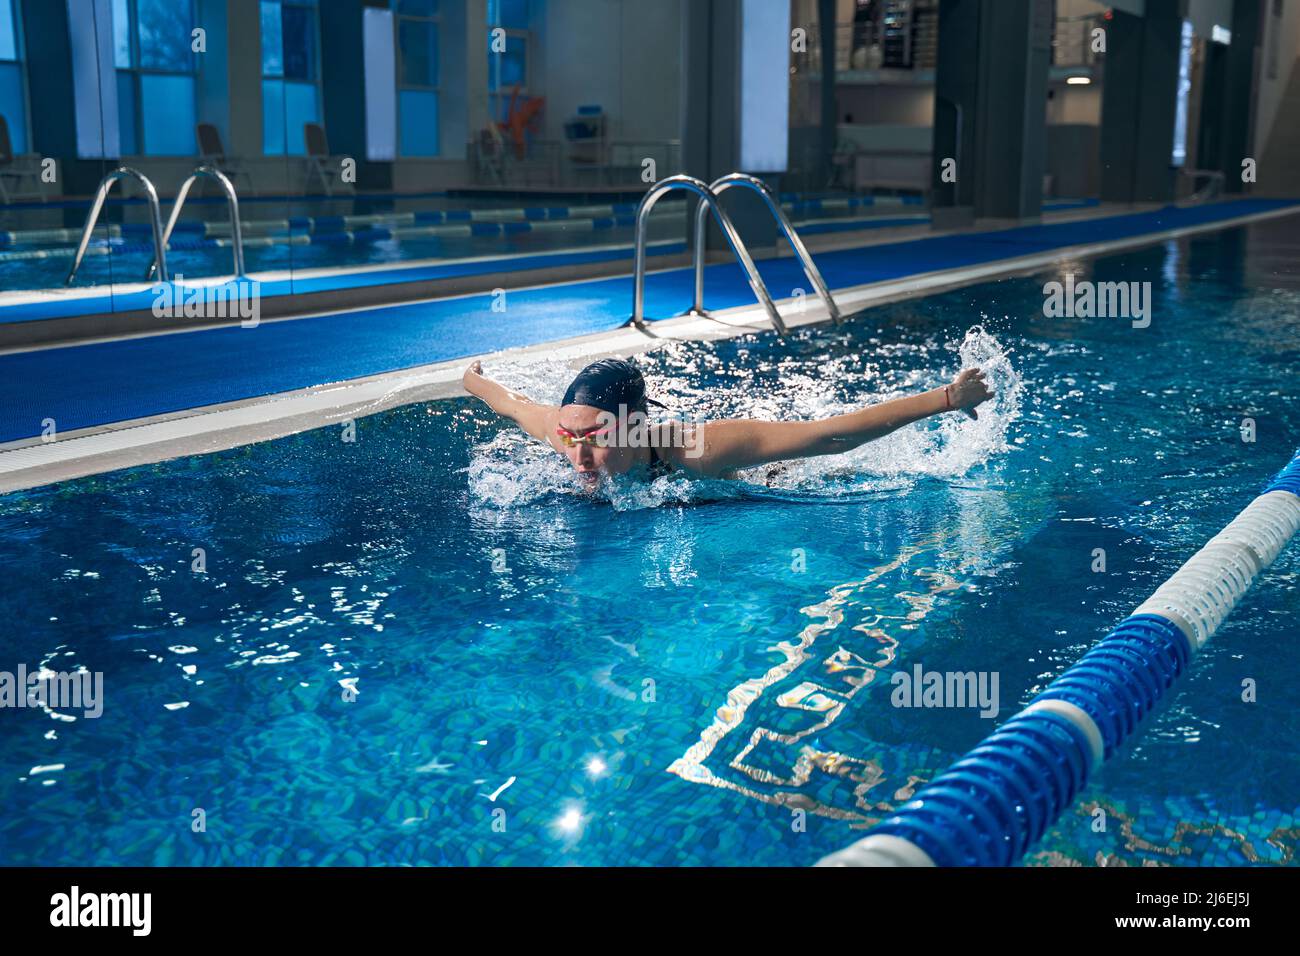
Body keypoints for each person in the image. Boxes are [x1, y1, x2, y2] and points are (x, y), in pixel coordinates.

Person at [461, 356, 993, 486]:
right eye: (571, 437)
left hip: (756, 480)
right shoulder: (566, 434)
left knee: (804, 472)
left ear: (635, 428)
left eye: (596, 440)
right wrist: (474, 379)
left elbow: (829, 435)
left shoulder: (699, 448)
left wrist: (945, 398)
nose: (578, 456)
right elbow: (506, 401)